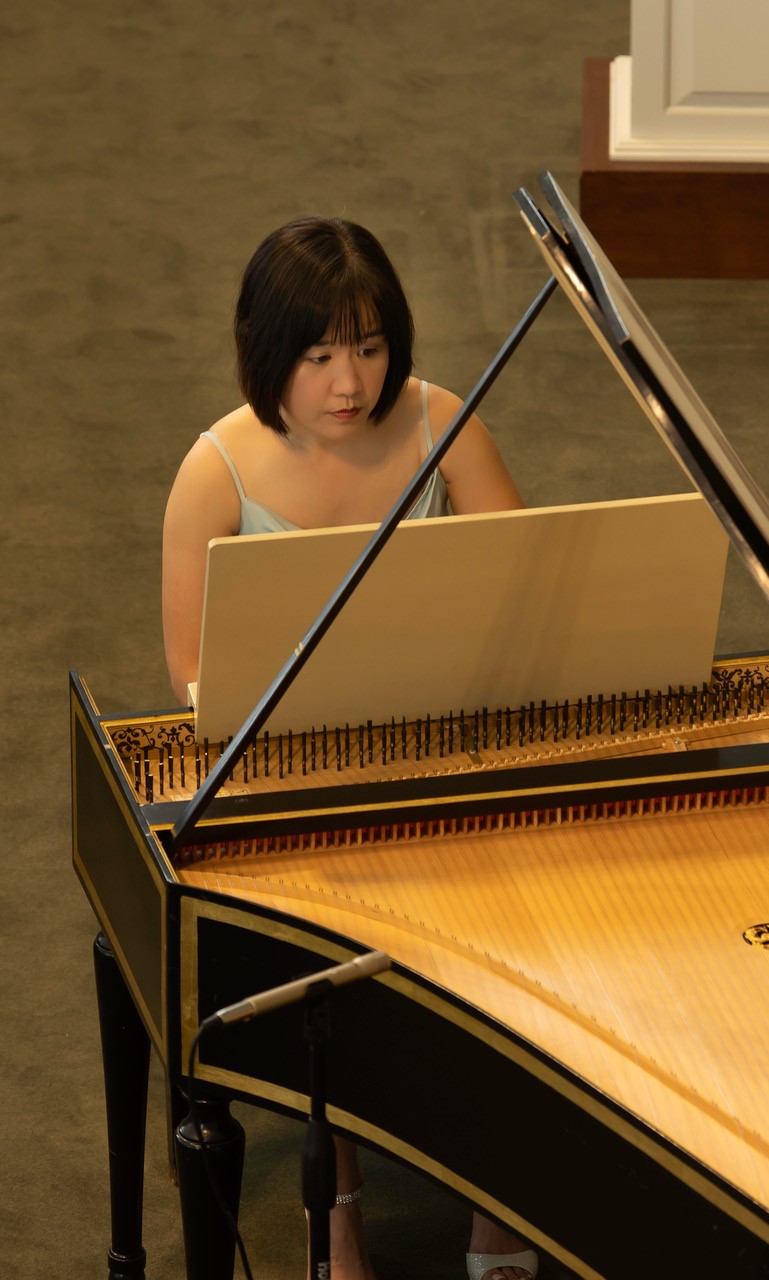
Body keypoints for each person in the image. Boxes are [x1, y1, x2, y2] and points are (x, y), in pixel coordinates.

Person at [162, 217, 537, 1280]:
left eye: (369, 347)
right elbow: (192, 679)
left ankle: (500, 1205)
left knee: (523, 934)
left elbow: (523, 589)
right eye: (319, 353)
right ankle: (338, 1218)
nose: (349, 381)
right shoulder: (213, 472)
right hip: (296, 773)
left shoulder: (442, 423)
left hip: (444, 747)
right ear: (266, 349)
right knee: (330, 957)